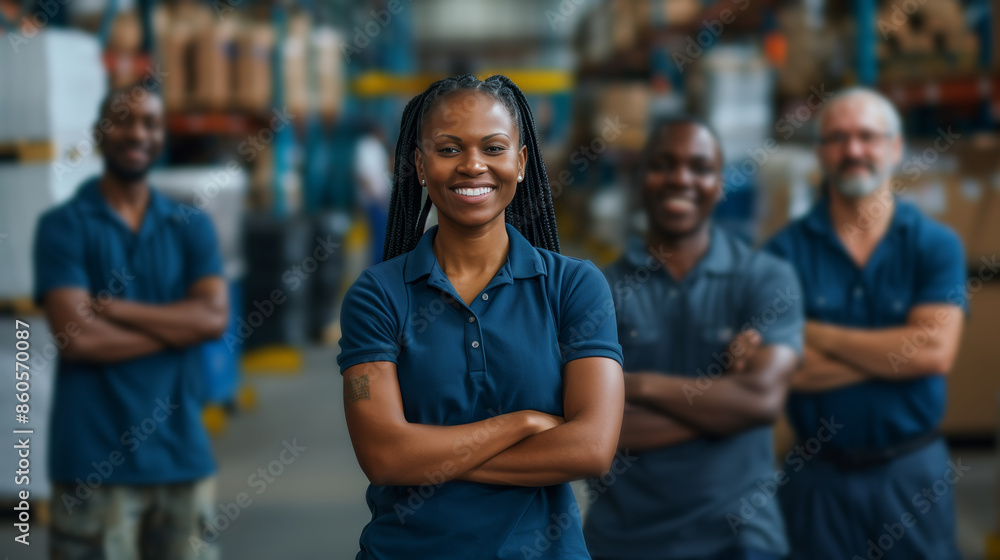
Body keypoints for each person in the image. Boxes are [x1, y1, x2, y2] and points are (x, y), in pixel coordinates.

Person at [337, 74, 625, 560]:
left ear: (521, 162)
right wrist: (523, 423)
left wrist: (425, 458)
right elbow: (383, 457)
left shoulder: (574, 287)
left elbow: (592, 448)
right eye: (449, 149)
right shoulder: (378, 296)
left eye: (493, 148)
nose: (473, 166)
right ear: (420, 165)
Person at [581, 117, 804, 560]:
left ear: (719, 184)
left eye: (699, 167)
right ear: (641, 178)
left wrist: (636, 385)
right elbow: (588, 431)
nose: (681, 178)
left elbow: (760, 403)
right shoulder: (595, 292)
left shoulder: (765, 278)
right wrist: (722, 406)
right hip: (625, 542)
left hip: (740, 539)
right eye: (663, 164)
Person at [764, 88, 966, 559]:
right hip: (816, 481)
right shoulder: (782, 254)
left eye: (867, 137)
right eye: (837, 138)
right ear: (820, 153)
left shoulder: (935, 245)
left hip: (912, 477)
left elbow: (935, 352)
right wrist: (898, 355)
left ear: (895, 148)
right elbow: (780, 369)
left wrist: (816, 333)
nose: (853, 150)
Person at [34, 87, 227, 560]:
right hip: (93, 466)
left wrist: (119, 310)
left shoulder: (190, 225)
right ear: (101, 132)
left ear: (162, 135)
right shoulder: (65, 225)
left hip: (183, 458)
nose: (138, 133)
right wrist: (177, 329)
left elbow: (214, 318)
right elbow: (76, 338)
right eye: (125, 121)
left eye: (151, 123)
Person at [353, 121, 392, 265]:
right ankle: (376, 266)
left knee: (379, 236)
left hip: (378, 199)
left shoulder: (375, 147)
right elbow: (364, 176)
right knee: (378, 236)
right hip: (373, 201)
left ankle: (378, 265)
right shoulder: (367, 147)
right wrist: (377, 198)